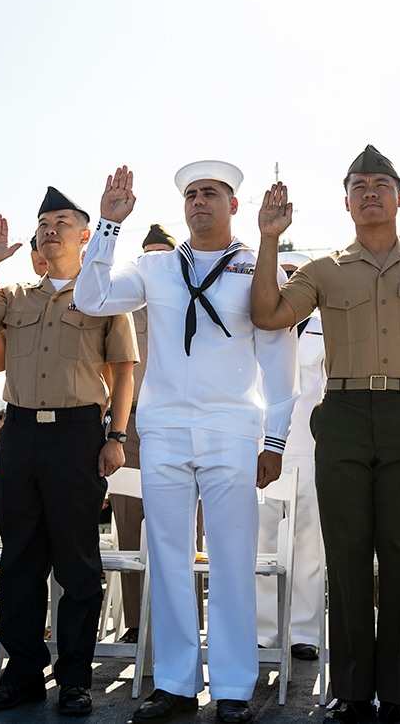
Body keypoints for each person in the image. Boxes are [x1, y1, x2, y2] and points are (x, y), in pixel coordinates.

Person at [250, 145, 400, 724]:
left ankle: (397, 694)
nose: (370, 194)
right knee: (346, 554)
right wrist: (269, 239)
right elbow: (269, 314)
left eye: (381, 185)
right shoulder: (324, 269)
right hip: (344, 414)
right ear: (346, 202)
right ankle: (350, 692)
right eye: (359, 187)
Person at [75, 162, 298, 724]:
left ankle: (233, 687)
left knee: (232, 561)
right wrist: (108, 226)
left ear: (233, 205)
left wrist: (274, 439)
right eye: (192, 194)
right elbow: (92, 296)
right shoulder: (155, 267)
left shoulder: (257, 265)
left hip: (231, 428)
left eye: (211, 193)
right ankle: (175, 683)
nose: (199, 201)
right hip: (166, 429)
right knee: (168, 559)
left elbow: (279, 359)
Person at [0, 187, 137, 714]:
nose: (50, 230)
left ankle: (76, 678)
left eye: (62, 221)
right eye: (43, 223)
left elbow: (123, 372)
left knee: (77, 562)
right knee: (19, 560)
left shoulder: (104, 297)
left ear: (86, 235)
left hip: (77, 434)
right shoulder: (15, 295)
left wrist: (116, 437)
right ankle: (23, 675)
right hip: (19, 434)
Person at [254, 250, 325, 662]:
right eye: (283, 277)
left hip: (310, 448)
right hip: (261, 447)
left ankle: (304, 632)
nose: (289, 285)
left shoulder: (325, 326)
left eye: (296, 277)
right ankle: (264, 631)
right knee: (261, 540)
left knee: (309, 545)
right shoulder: (257, 325)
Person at [111, 222, 178, 643]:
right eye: (147, 256)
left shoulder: (185, 301)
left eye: (162, 256)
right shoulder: (124, 306)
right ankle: (137, 623)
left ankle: (181, 621)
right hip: (132, 422)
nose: (154, 264)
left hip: (176, 422)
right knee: (129, 524)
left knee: (182, 531)